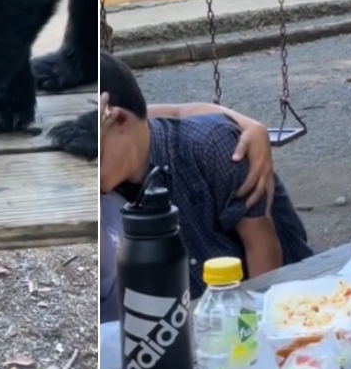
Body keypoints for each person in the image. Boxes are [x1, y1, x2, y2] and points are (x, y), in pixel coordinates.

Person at [99, 53, 314, 303]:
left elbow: (262, 248)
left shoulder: (210, 146)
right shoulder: (110, 187)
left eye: (95, 154)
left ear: (119, 118)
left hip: (286, 298)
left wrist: (255, 326)